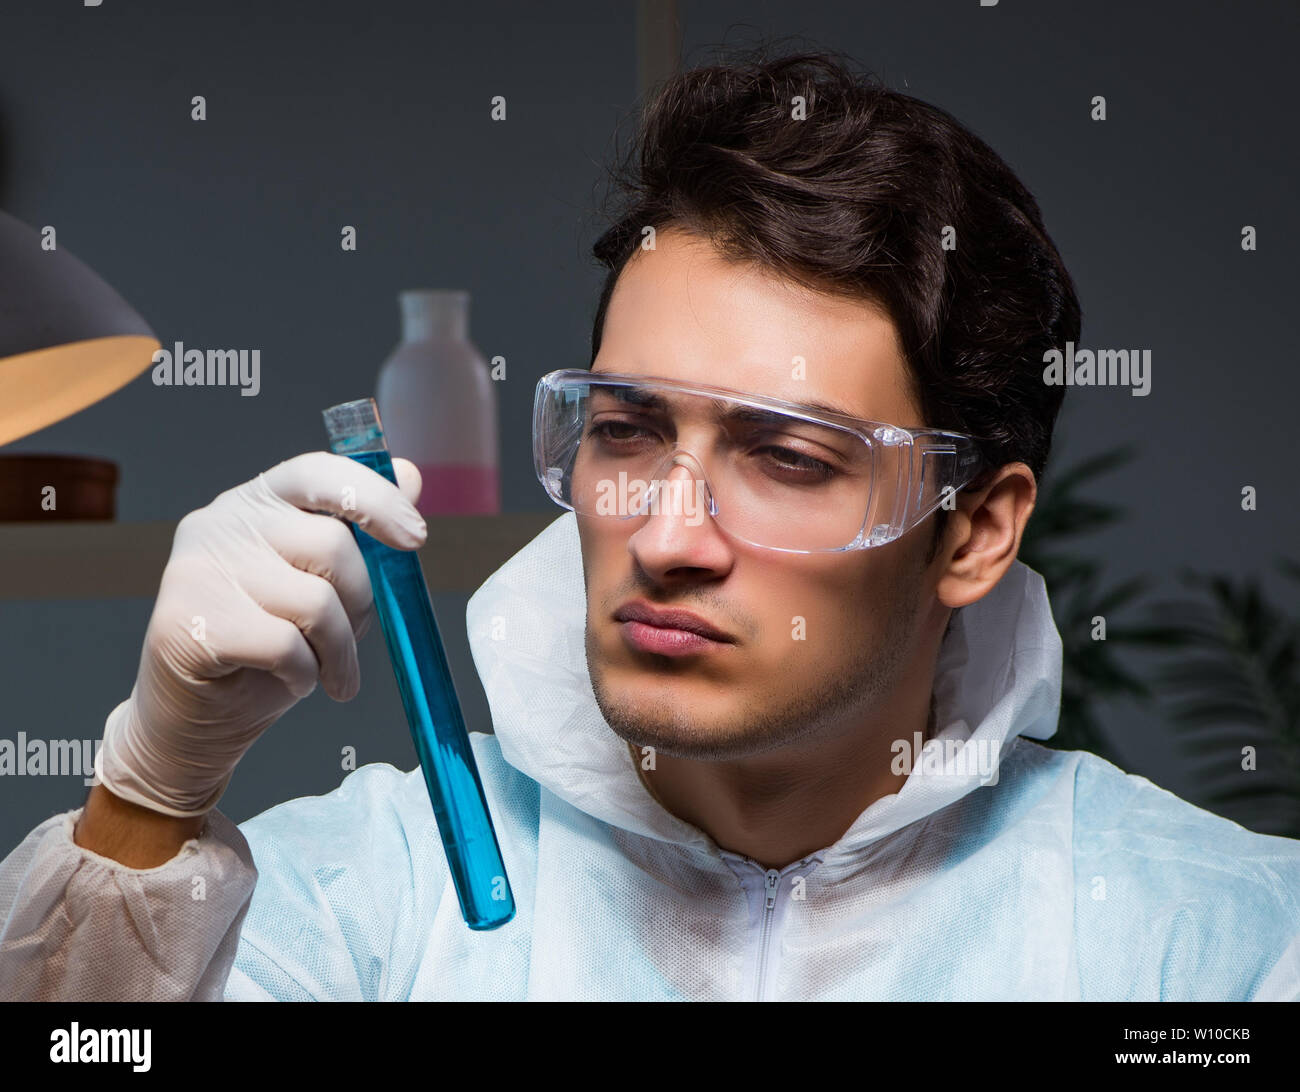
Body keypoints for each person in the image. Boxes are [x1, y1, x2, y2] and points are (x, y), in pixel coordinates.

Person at [2, 47, 1297, 1002]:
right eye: (625, 431)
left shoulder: (1202, 946)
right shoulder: (372, 895)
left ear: (972, 532)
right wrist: (146, 803)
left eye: (787, 457)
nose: (669, 537)